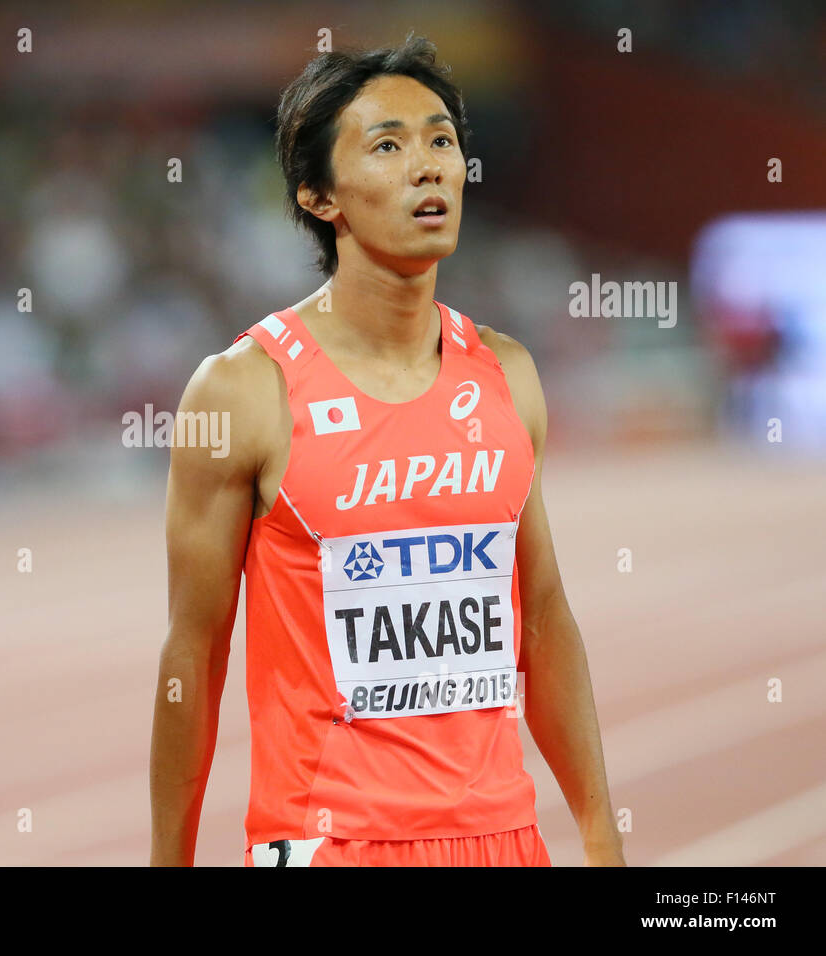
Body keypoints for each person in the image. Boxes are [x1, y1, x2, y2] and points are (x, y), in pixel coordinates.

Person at [150, 36, 624, 867]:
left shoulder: (507, 375)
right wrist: (170, 859)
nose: (429, 166)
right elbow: (195, 650)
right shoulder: (240, 391)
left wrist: (597, 831)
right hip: (332, 843)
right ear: (317, 195)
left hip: (502, 841)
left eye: (441, 140)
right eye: (388, 146)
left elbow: (543, 616)